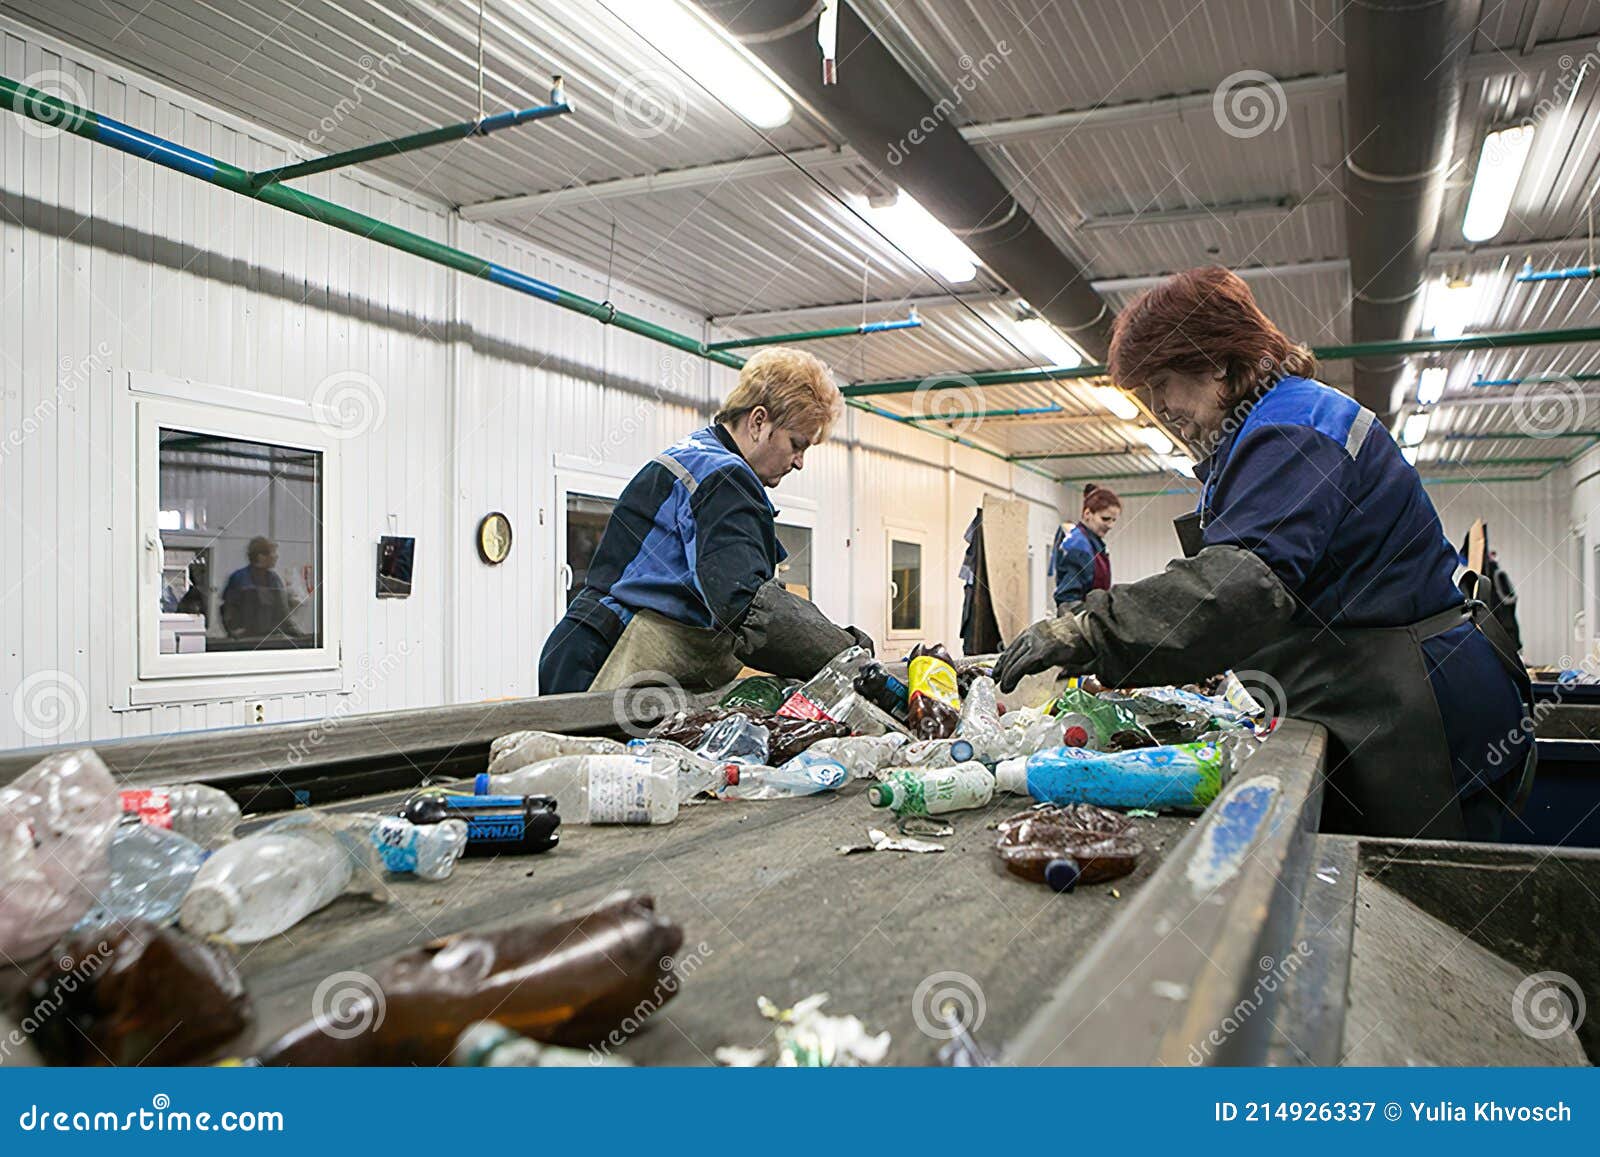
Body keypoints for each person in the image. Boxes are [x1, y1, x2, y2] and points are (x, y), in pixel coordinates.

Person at [993, 267, 1533, 841]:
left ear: (1220, 363)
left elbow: (1241, 586)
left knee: (1428, 901)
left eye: (1164, 383)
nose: (1158, 407)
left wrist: (1092, 631)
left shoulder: (1293, 429)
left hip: (1420, 709)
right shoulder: (1273, 426)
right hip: (1389, 685)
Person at [538, 348, 871, 695]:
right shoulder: (725, 478)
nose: (799, 462)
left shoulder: (698, 457)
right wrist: (848, 655)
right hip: (605, 657)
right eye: (796, 444)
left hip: (583, 647)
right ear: (758, 421)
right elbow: (747, 604)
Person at [1049, 484, 1120, 613]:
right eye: (1105, 519)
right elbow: (1067, 599)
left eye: (1114, 520)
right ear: (1087, 513)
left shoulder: (1095, 545)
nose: (1110, 525)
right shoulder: (1078, 546)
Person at [220, 537, 296, 641]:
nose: (277, 556)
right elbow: (228, 610)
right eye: (273, 553)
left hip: (272, 640)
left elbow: (283, 613)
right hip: (245, 641)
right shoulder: (239, 579)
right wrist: (234, 631)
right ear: (261, 557)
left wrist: (296, 634)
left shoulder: (274, 579)